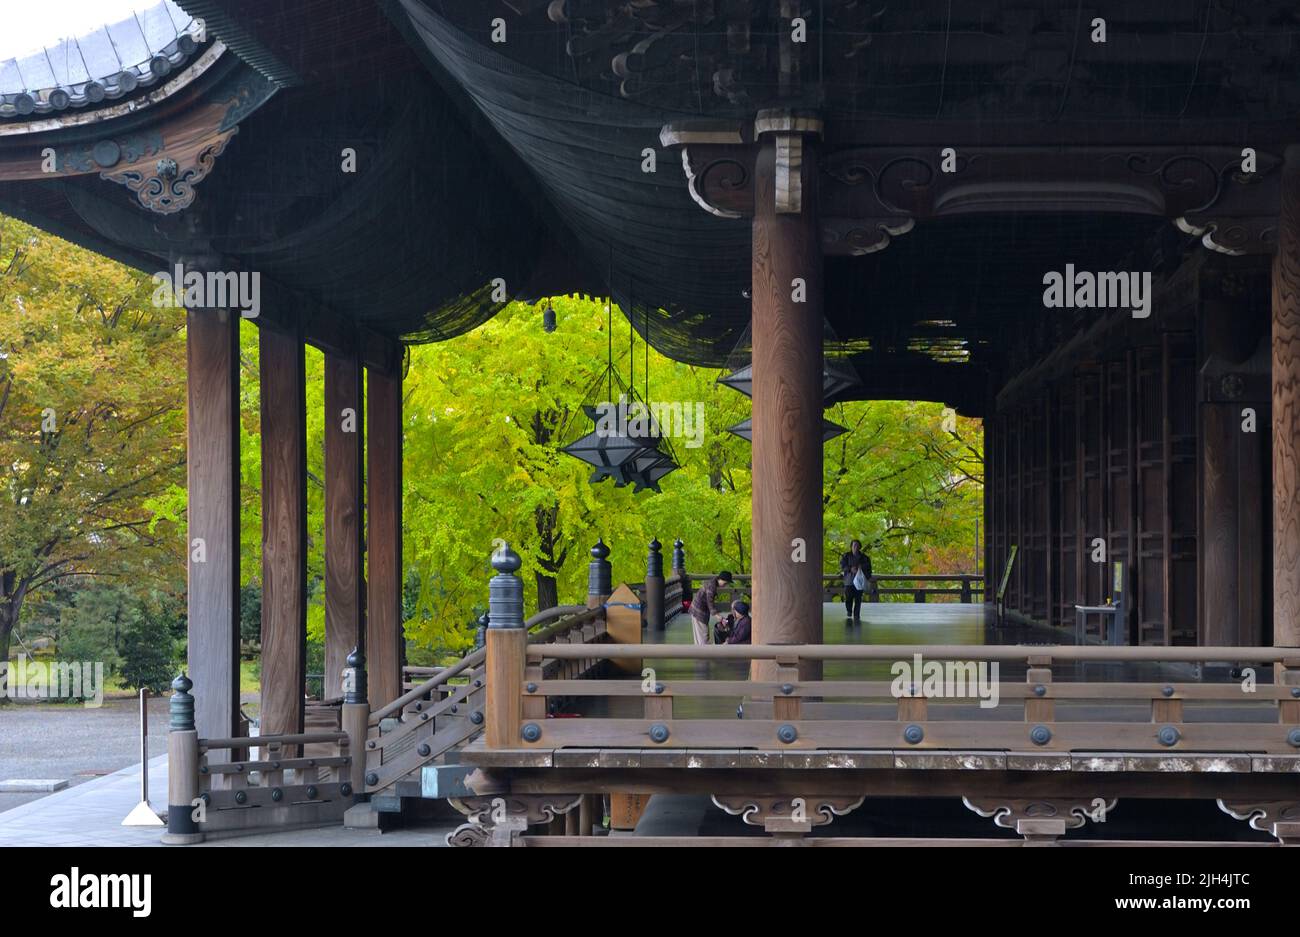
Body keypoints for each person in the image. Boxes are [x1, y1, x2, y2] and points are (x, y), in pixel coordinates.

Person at [689, 570, 732, 645]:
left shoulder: (713, 583)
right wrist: (717, 615)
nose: (726, 585)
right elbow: (710, 602)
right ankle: (705, 653)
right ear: (720, 579)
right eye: (725, 583)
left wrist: (717, 614)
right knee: (703, 636)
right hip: (699, 612)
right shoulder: (711, 586)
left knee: (699, 635)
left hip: (697, 610)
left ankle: (699, 652)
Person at [839, 539, 872, 622]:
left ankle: (857, 615)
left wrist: (860, 568)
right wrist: (850, 569)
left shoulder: (865, 558)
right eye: (854, 545)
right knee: (848, 597)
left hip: (859, 582)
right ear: (851, 547)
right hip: (849, 581)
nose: (856, 547)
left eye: (857, 546)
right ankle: (849, 611)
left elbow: (869, 568)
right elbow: (842, 565)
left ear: (860, 547)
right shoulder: (846, 556)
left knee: (858, 599)